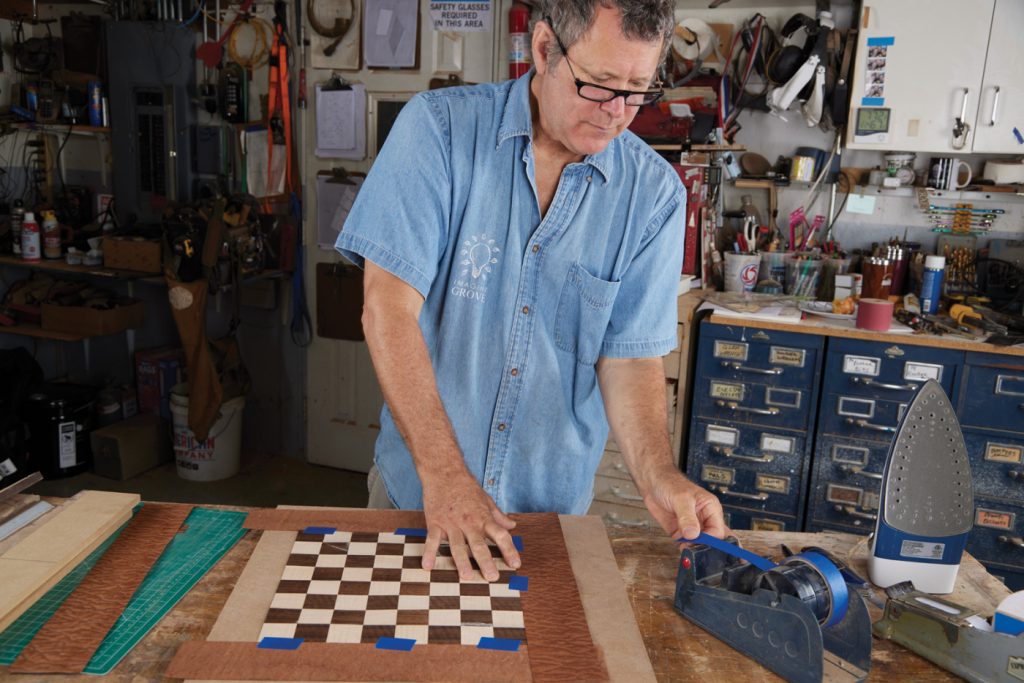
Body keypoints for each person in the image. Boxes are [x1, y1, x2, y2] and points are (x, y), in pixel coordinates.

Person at [336, 0, 726, 584]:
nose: (617, 113)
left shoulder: (654, 197)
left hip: (546, 525)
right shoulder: (439, 132)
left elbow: (629, 358)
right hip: (417, 500)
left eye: (637, 90)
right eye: (599, 85)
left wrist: (659, 475)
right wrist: (444, 475)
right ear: (544, 50)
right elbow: (387, 310)